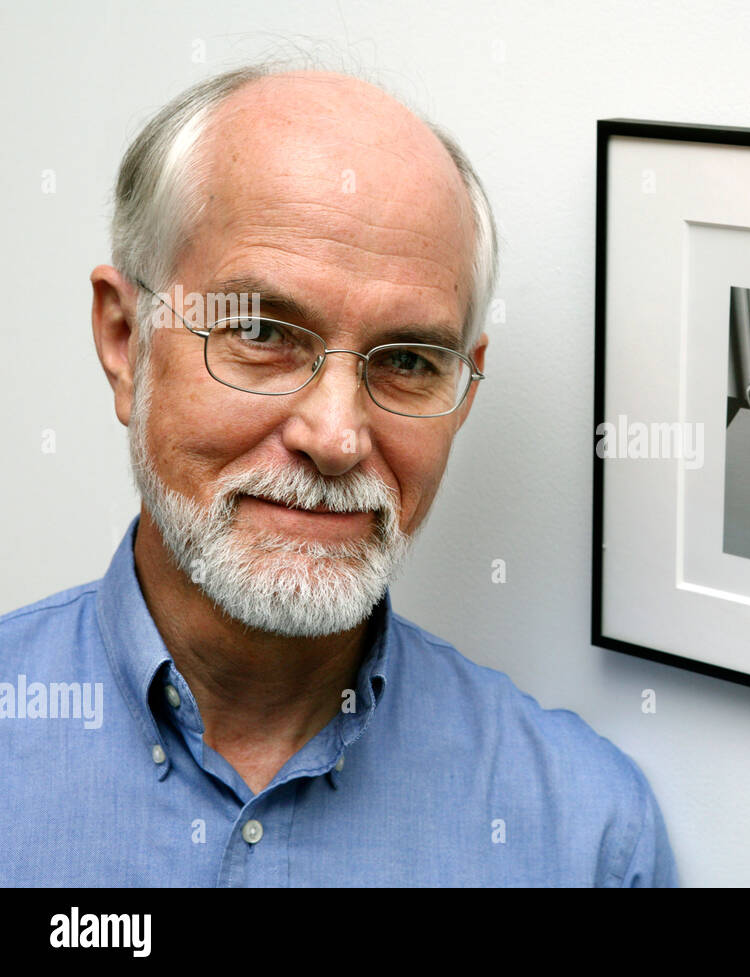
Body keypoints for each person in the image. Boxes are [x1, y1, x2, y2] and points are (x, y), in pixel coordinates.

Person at [0, 63, 676, 887]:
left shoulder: (584, 835)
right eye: (260, 330)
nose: (336, 435)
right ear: (123, 341)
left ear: (463, 390)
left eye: (407, 360)